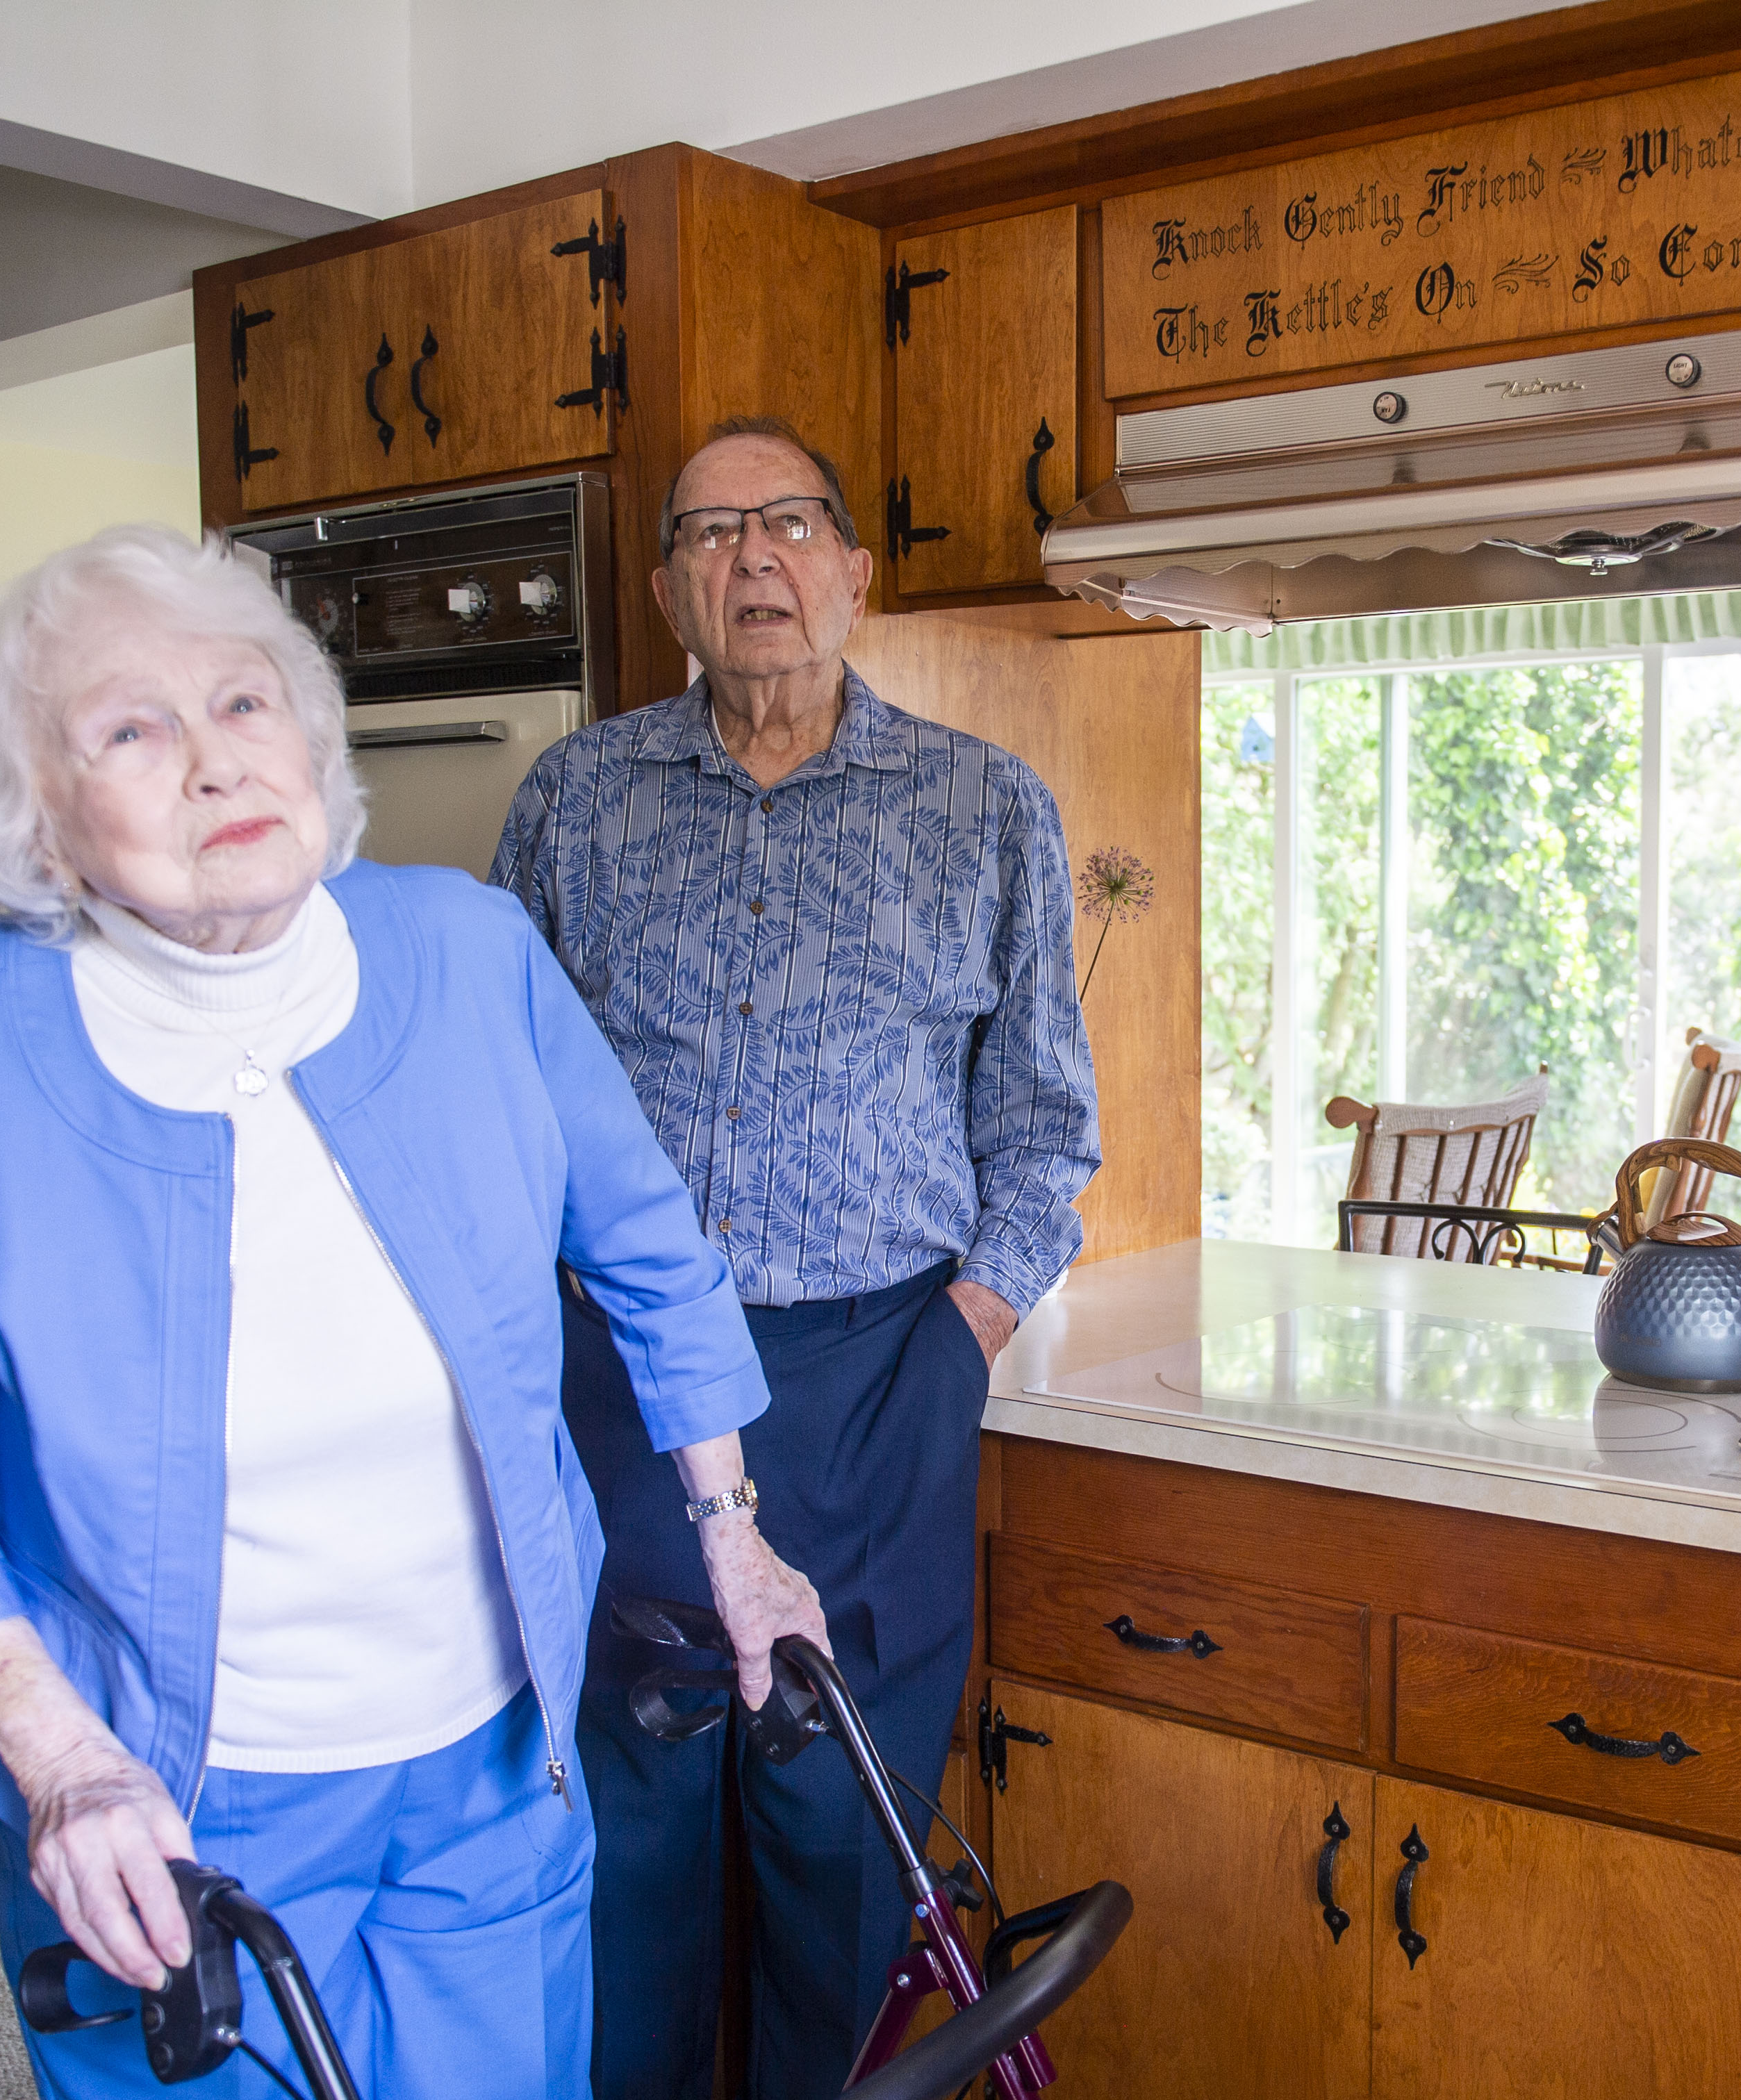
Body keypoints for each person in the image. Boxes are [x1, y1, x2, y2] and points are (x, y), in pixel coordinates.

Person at [0, 525, 826, 2100]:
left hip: (496, 1754)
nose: (215, 763)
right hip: (168, 1796)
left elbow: (647, 1249)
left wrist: (735, 1534)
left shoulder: (471, 956)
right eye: (131, 731)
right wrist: (62, 1769)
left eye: (245, 701)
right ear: (43, 822)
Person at [491, 416, 1098, 2099]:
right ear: (675, 584)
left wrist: (961, 1337)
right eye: (711, 532)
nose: (754, 557)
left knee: (848, 1839)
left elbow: (1047, 1126)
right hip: (620, 1387)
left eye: (790, 523)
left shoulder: (985, 806)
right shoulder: (577, 798)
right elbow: (496, 1102)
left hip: (878, 1371)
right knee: (629, 1835)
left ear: (852, 564)